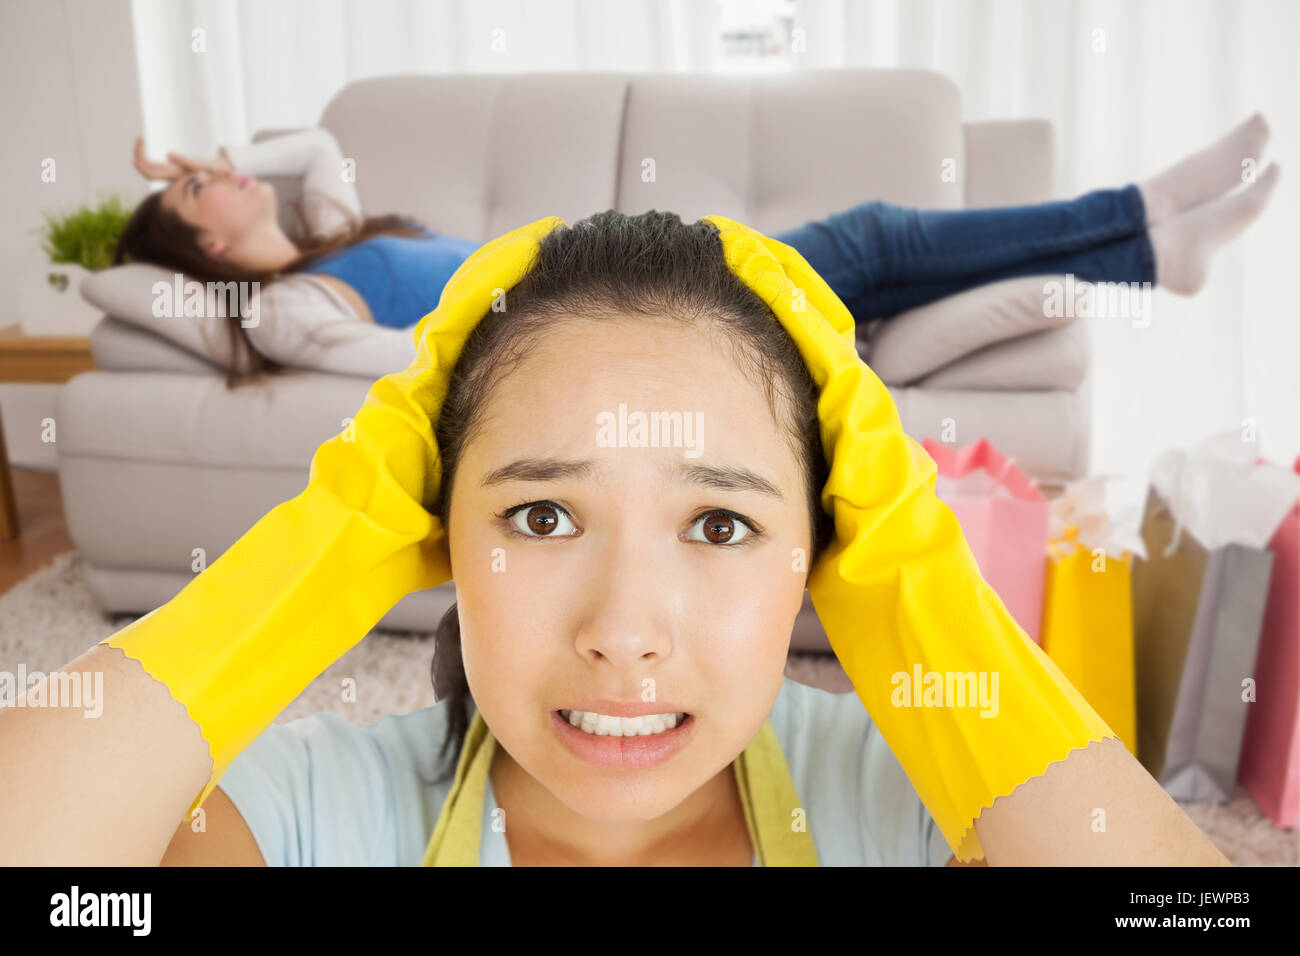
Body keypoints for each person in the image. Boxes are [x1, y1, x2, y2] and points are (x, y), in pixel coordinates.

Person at [1, 206, 1231, 867]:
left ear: (827, 542)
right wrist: (319, 551)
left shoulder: (922, 804)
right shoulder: (313, 817)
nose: (623, 636)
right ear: (430, 526)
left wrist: (918, 593)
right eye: (540, 516)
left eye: (720, 520)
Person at [114, 114, 1279, 385]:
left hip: (639, 270)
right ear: (206, 241)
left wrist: (181, 172)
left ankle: (1143, 247)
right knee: (868, 237)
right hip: (628, 301)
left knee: (870, 262)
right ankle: (1137, 211)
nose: (225, 168)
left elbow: (309, 143)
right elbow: (402, 366)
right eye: (205, 186)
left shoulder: (325, 226)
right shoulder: (288, 308)